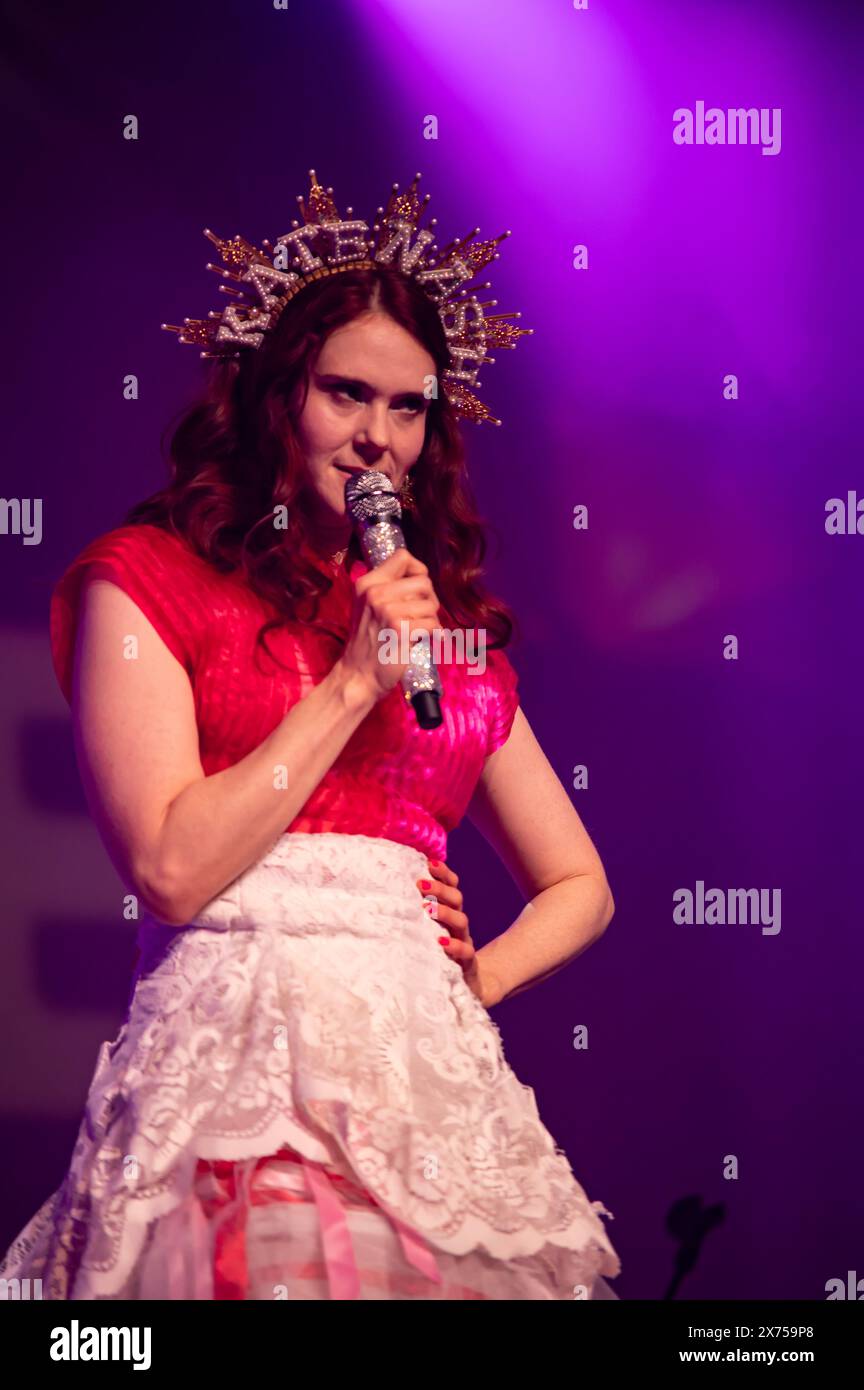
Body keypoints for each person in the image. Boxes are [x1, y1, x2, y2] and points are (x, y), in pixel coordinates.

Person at [0, 172, 622, 1300]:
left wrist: (475, 979)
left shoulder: (444, 629)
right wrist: (348, 683)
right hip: (238, 1078)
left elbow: (581, 879)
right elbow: (173, 869)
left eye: (410, 407)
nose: (379, 439)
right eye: (347, 395)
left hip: (426, 1090)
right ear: (278, 392)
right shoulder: (148, 582)